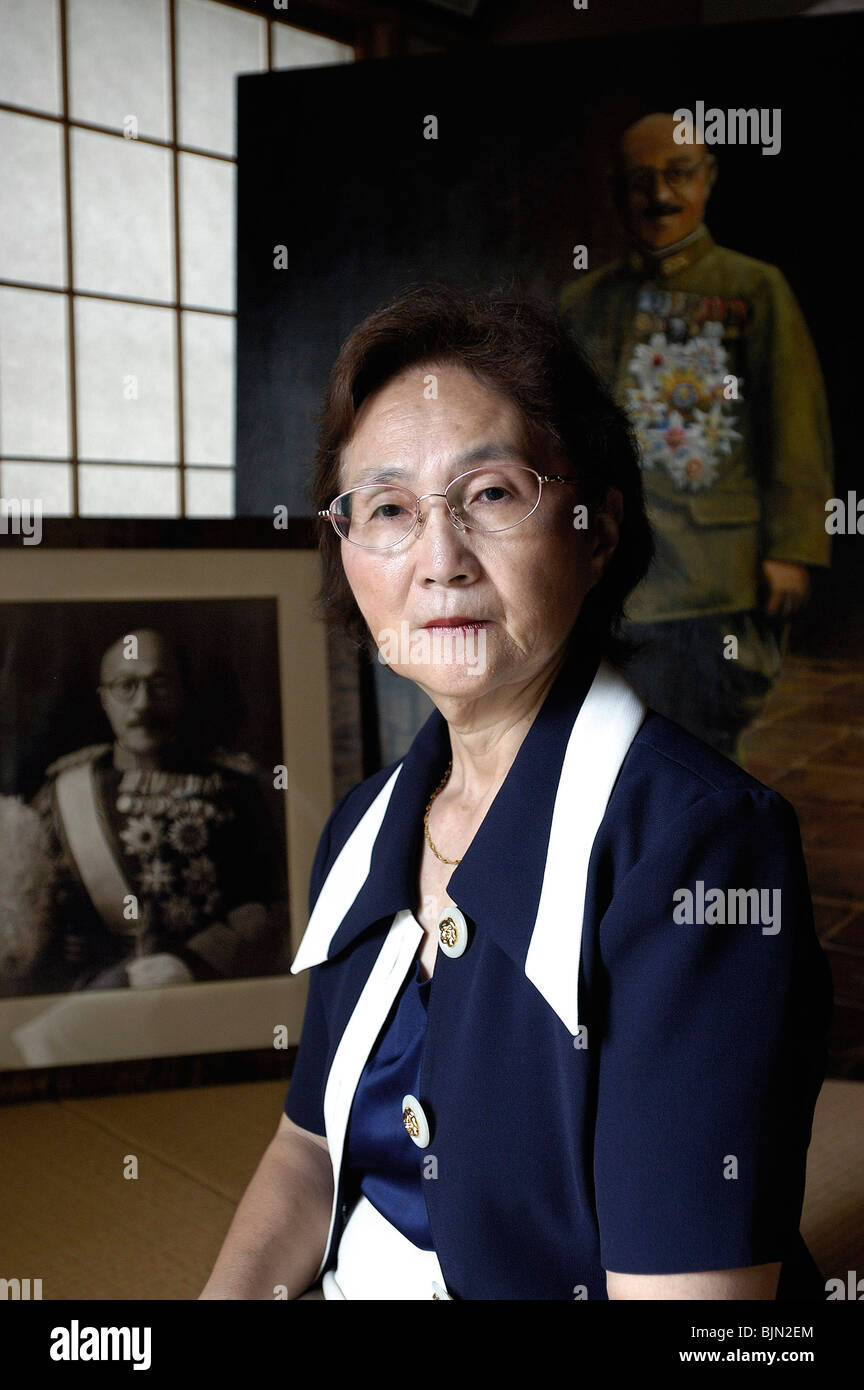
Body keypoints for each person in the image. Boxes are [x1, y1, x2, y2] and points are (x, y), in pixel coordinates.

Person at [200, 286, 831, 1301]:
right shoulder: (364, 828)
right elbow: (307, 1150)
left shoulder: (702, 851)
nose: (439, 561)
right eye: (391, 510)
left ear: (598, 532)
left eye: (491, 493)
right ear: (346, 553)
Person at [558, 112, 833, 759]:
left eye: (679, 174)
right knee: (615, 749)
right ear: (617, 192)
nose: (661, 197)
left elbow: (795, 425)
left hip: (715, 570)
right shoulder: (584, 302)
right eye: (641, 181)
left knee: (703, 747)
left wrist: (792, 547)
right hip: (612, 569)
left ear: (707, 179)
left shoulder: (753, 288)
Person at [27, 628, 285, 993]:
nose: (143, 704)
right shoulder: (61, 795)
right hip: (94, 1001)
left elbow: (273, 903)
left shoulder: (234, 788)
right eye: (125, 686)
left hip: (207, 995)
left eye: (159, 684)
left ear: (182, 691)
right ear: (104, 699)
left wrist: (196, 961)